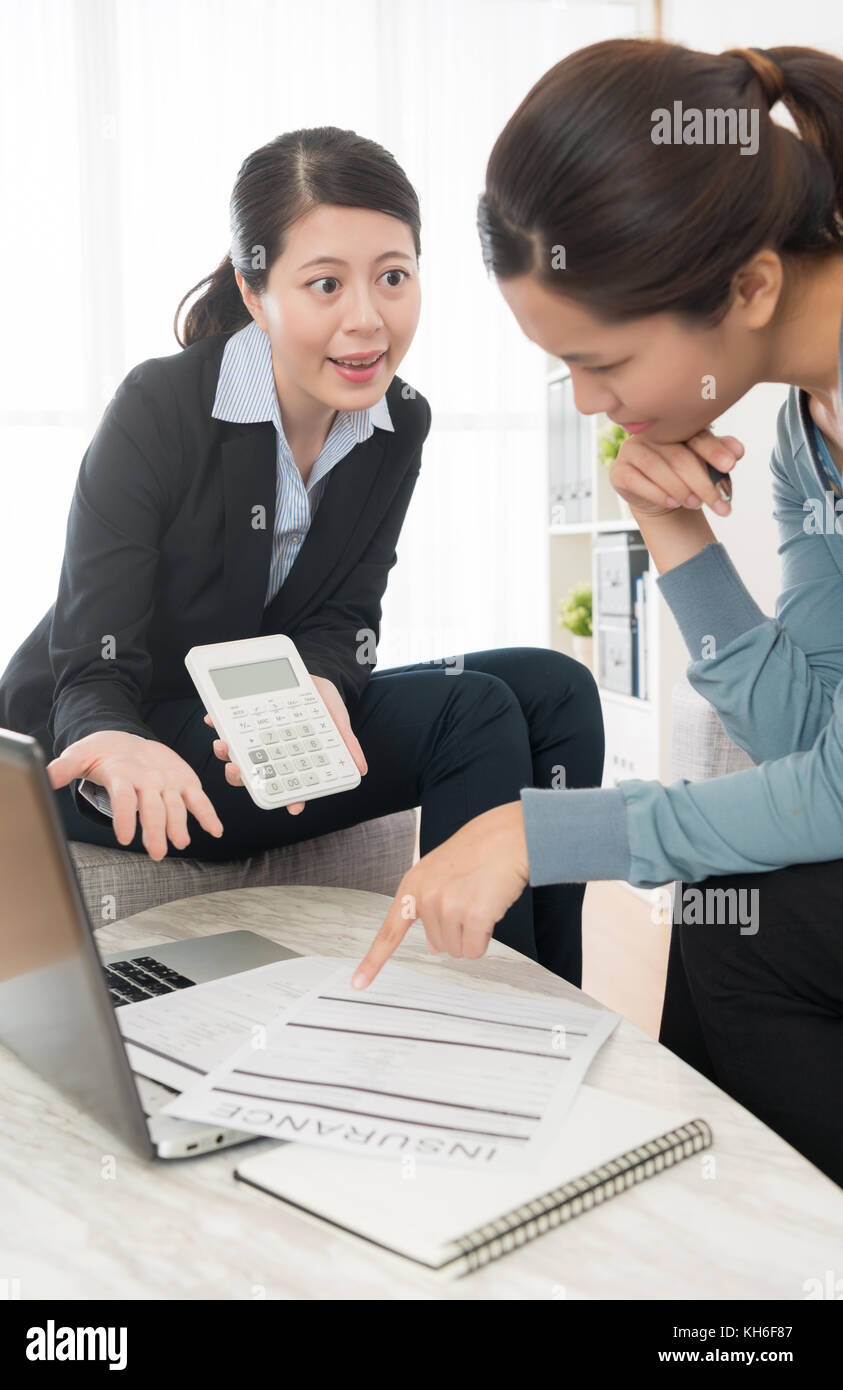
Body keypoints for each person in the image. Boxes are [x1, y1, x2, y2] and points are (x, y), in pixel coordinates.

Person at [352, 39, 843, 1189]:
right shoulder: (803, 432)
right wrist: (669, 525)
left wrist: (546, 829)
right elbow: (803, 735)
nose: (586, 402)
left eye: (601, 358)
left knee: (744, 934)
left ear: (752, 287)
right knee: (734, 914)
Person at [0, 126, 604, 985]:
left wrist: (321, 688)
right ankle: (483, 1023)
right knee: (475, 712)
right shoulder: (161, 405)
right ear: (254, 288)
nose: (367, 318)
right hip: (112, 746)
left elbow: (343, 618)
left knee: (551, 686)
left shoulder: (399, 421)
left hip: (251, 723)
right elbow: (91, 659)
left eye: (394, 275)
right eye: (324, 284)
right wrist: (115, 740)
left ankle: (557, 1004)